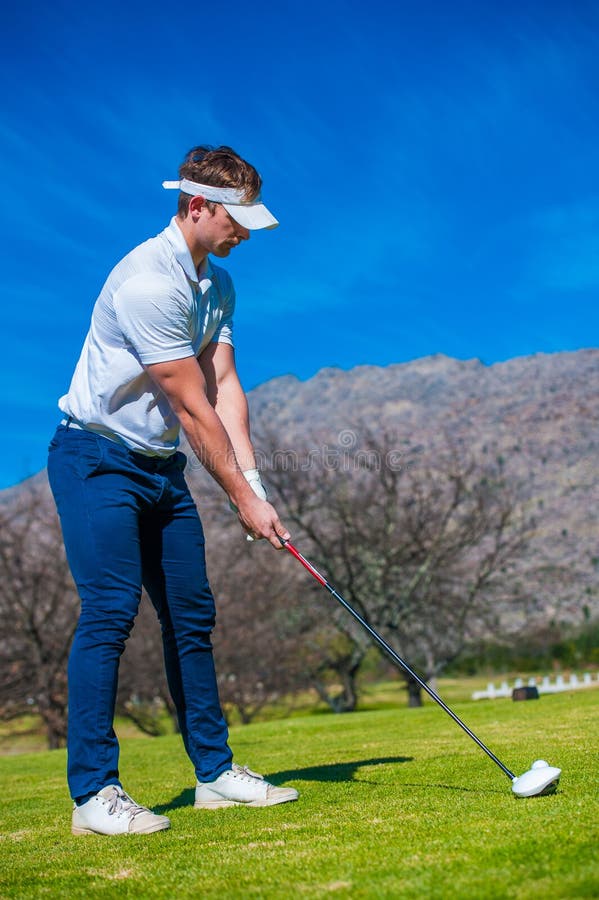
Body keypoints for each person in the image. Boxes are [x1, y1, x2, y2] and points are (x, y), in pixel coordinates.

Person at [47, 145, 298, 836]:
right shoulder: (145, 283)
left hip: (159, 469)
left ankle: (213, 775)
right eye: (235, 220)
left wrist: (252, 485)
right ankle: (94, 795)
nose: (243, 232)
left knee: (191, 616)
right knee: (110, 611)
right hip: (94, 458)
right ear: (198, 206)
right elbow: (191, 409)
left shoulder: (216, 286)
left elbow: (224, 389)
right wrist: (243, 504)